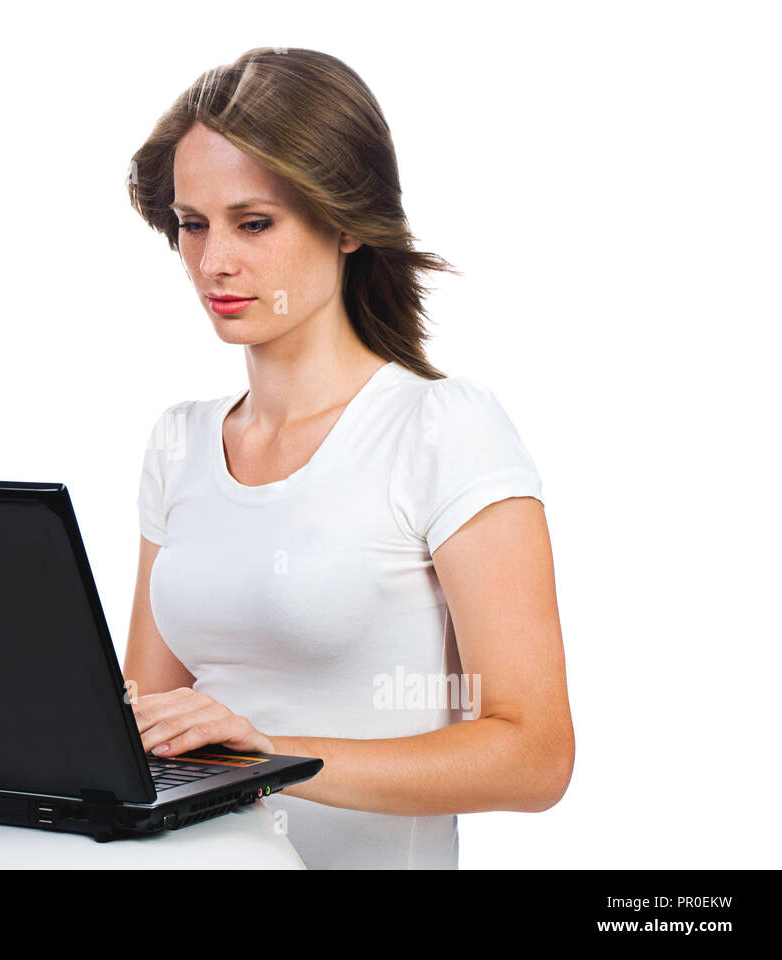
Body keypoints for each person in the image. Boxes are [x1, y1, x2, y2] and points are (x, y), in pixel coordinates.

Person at [122, 47, 574, 869]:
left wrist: (269, 759)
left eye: (253, 222)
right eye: (193, 224)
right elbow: (142, 722)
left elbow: (535, 755)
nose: (214, 261)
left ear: (349, 223)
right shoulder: (179, 442)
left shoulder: (443, 431)